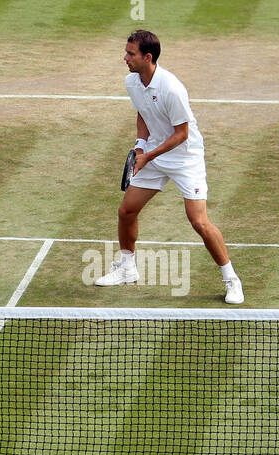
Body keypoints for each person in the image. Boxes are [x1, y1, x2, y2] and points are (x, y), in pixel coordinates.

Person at [95, 29, 244, 305]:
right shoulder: (132, 82)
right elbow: (143, 112)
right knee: (127, 210)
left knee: (198, 221)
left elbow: (182, 134)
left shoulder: (171, 88)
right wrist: (141, 146)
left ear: (147, 57)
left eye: (131, 53)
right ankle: (127, 268)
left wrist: (148, 156)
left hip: (185, 157)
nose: (124, 58)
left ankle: (231, 279)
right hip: (153, 151)